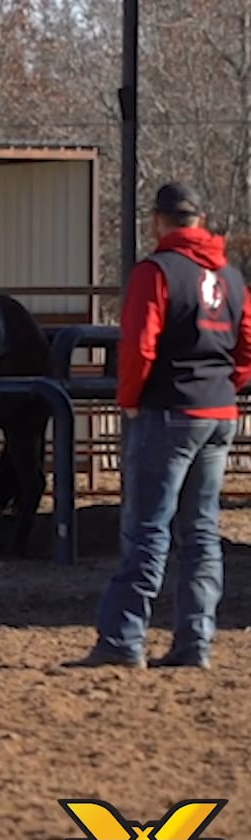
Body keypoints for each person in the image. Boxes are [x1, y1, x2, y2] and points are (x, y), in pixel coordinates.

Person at [68, 183, 251, 669]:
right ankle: (195, 643)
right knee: (202, 533)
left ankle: (123, 639)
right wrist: (226, 385)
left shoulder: (157, 271)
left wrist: (129, 400)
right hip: (218, 412)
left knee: (147, 530)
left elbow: (139, 345)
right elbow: (247, 344)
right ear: (200, 219)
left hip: (168, 411)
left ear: (158, 221)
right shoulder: (230, 278)